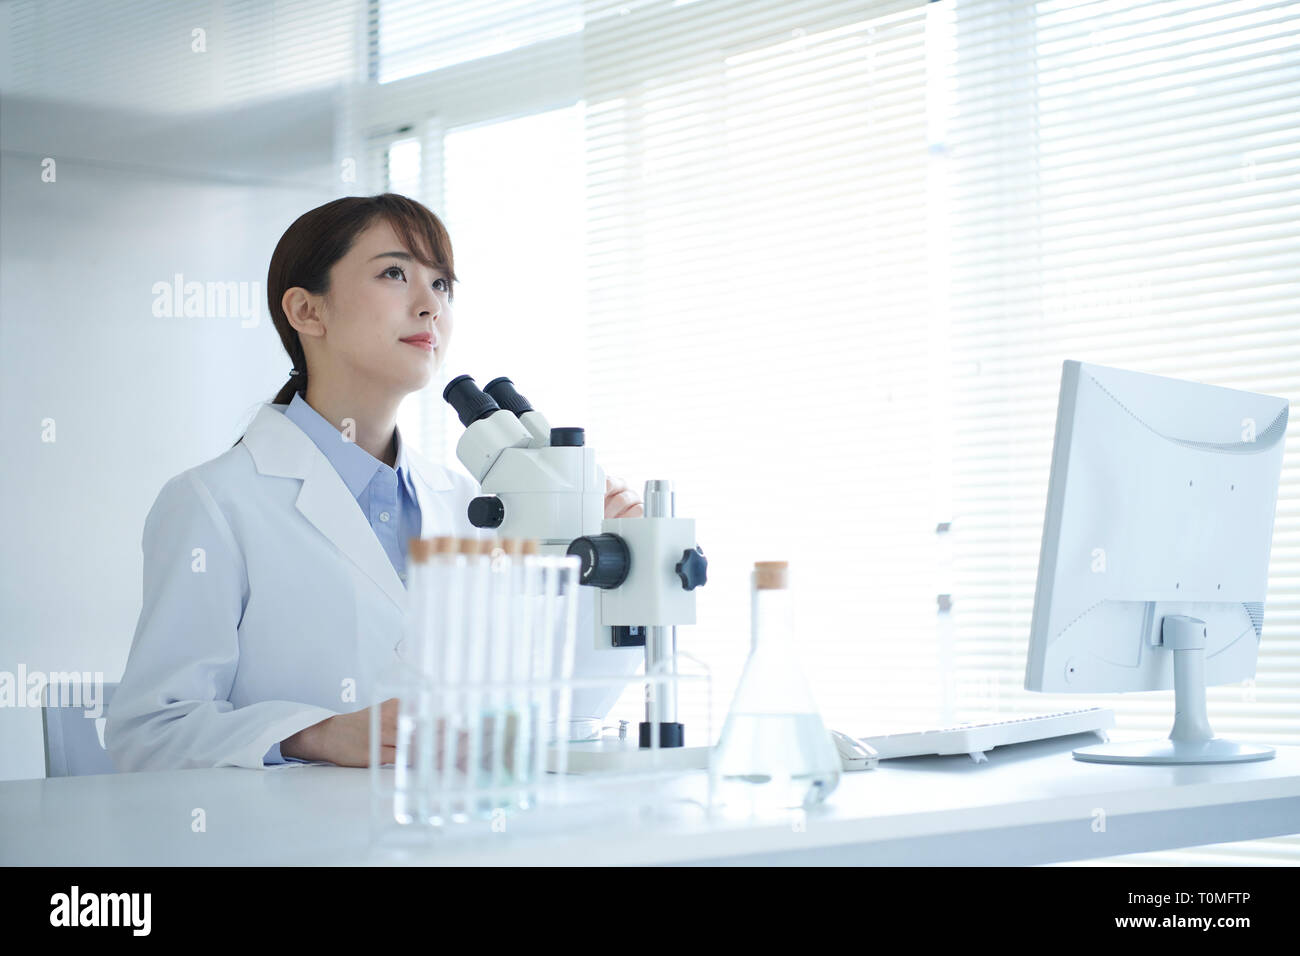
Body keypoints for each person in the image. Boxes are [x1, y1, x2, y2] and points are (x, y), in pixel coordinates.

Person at [105, 193, 643, 771]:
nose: (429, 306)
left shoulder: (470, 504)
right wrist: (314, 734)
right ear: (308, 312)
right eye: (394, 273)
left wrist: (622, 577)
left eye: (442, 285)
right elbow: (149, 735)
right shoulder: (213, 503)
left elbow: (557, 712)